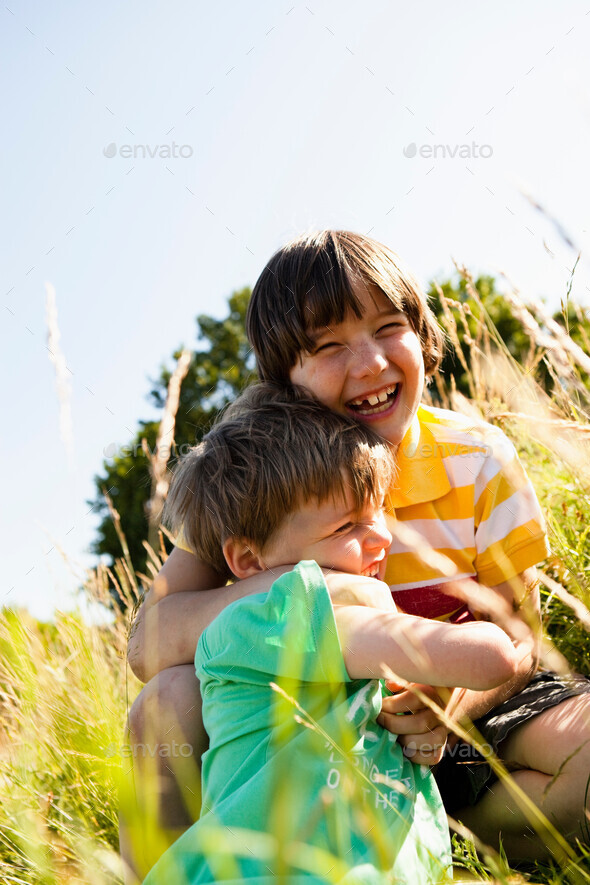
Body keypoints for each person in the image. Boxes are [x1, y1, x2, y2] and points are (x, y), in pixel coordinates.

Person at [125, 230, 590, 870]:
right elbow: (148, 644)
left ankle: (446, 839)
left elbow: (520, 634)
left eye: (388, 328)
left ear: (422, 335)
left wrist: (450, 706)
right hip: (301, 730)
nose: (370, 364)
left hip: (454, 717)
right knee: (167, 702)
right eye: (328, 346)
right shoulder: (257, 479)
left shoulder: (478, 459)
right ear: (283, 379)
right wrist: (296, 594)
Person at [140, 382, 520, 884]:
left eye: (378, 512)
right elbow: (494, 656)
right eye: (346, 528)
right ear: (250, 560)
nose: (383, 535)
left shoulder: (234, 627)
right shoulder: (310, 617)